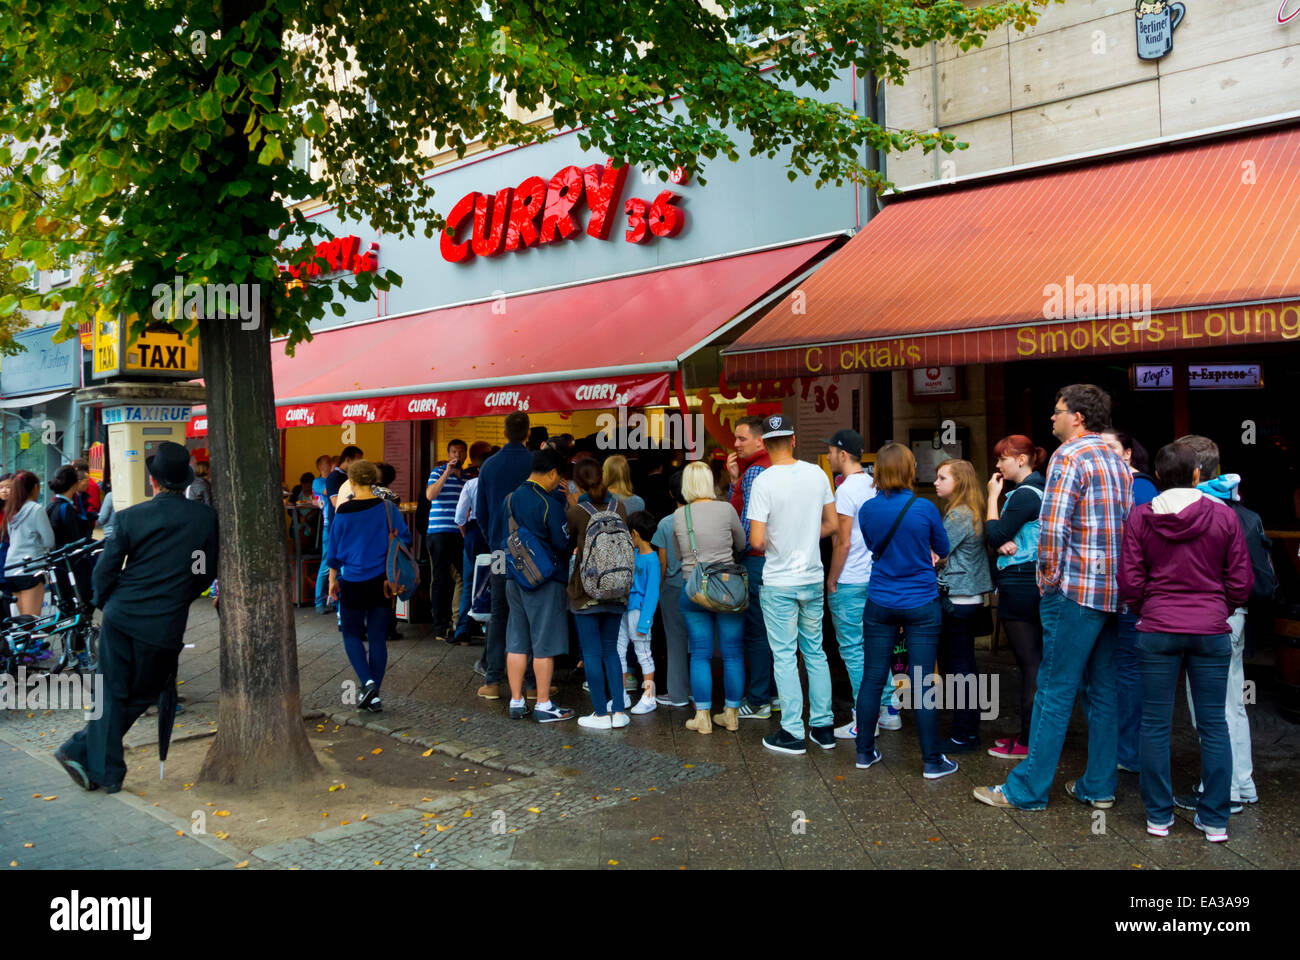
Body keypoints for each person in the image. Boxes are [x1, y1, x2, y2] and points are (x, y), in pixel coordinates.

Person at [974, 384, 1132, 811]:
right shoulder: (1116, 461)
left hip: (1074, 591)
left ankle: (1026, 790)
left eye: (1057, 411)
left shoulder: (1069, 457)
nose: (1052, 418)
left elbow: (1053, 529)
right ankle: (1099, 787)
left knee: (1053, 689)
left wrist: (1046, 582)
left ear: (1077, 417)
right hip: (1112, 593)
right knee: (1102, 691)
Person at [54, 442, 218, 793]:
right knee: (143, 693)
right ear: (185, 480)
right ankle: (96, 763)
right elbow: (203, 572)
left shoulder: (130, 518)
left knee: (111, 693)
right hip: (162, 624)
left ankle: (89, 756)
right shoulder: (204, 518)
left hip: (121, 615)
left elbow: (104, 571)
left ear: (153, 480)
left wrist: (105, 602)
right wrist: (179, 594)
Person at [1118, 441, 1252, 841]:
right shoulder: (1224, 516)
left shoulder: (1141, 517)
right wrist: (1216, 607)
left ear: (1158, 476)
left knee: (1155, 723)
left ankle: (1158, 816)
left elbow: (1130, 582)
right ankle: (1214, 820)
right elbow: (1242, 583)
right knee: (1214, 725)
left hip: (1157, 628)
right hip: (1210, 630)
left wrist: (1149, 607)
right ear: (1198, 475)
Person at [1176, 434, 1274, 813]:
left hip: (1213, 617)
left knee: (1209, 710)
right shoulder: (1240, 512)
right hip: (1235, 615)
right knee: (1232, 705)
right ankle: (1241, 783)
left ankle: (1223, 791)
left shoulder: (1202, 512)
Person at [854, 443, 954, 777]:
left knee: (872, 677)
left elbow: (872, 546)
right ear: (910, 471)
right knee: (922, 680)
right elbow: (943, 548)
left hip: (880, 600)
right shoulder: (924, 508)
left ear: (878, 472)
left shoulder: (867, 510)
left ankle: (865, 753)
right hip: (921, 603)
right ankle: (931, 761)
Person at [746, 415, 838, 755]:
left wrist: (781, 537)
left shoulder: (764, 481)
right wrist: (801, 537)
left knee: (784, 656)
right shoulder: (817, 473)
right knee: (815, 651)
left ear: (764, 445)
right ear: (794, 440)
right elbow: (831, 525)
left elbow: (756, 540)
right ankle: (824, 727)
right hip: (812, 576)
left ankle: (792, 731)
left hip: (779, 581)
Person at [326, 460, 411, 714]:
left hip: (351, 581)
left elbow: (334, 550)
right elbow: (404, 537)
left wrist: (332, 580)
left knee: (351, 634)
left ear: (351, 481)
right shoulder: (388, 508)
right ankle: (374, 695)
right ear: (373, 481)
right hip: (382, 582)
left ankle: (368, 683)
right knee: (377, 638)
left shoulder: (343, 511)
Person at [984, 435, 1048, 759]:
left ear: (1021, 460)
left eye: (1002, 459)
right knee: (1034, 664)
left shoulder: (1023, 495)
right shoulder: (1040, 490)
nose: (998, 466)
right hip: (1033, 585)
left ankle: (1028, 743)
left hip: (1021, 588)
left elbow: (994, 533)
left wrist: (992, 498)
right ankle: (1030, 738)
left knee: (1030, 666)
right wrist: (1002, 539)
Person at [672, 461, 747, 734]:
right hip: (727, 588)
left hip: (694, 590)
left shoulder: (681, 515)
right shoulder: (726, 509)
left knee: (700, 654)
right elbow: (741, 544)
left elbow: (680, 555)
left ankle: (702, 717)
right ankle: (731, 715)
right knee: (733, 654)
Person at [1100, 427, 1158, 774]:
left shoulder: (1141, 488)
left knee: (1128, 671)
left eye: (1110, 448)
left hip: (1130, 595)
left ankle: (1128, 752)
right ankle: (1122, 748)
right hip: (1115, 592)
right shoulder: (1119, 485)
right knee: (1119, 670)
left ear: (1126, 454)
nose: (1103, 454)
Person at [506, 448, 576, 723]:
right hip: (544, 579)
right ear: (553, 473)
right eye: (558, 477)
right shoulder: (549, 502)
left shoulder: (512, 497)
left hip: (515, 576)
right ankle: (543, 703)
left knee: (517, 641)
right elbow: (562, 541)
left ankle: (516, 700)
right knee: (544, 644)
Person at [822, 429, 884, 740]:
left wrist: (832, 578)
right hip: (875, 578)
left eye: (832, 452)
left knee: (852, 650)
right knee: (875, 648)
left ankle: (865, 717)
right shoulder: (876, 484)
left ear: (843, 454)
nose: (830, 456)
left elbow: (842, 543)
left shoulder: (845, 491)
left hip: (850, 580)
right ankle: (889, 710)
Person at [475, 413, 537, 700]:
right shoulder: (535, 462)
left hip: (500, 549)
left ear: (504, 431)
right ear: (527, 433)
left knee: (499, 614)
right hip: (533, 551)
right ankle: (534, 683)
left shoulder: (489, 465)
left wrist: (494, 541)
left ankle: (493, 680)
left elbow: (481, 512)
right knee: (531, 612)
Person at [933, 458, 993, 753]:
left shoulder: (958, 515)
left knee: (958, 668)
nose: (936, 482)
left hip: (956, 597)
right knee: (964, 665)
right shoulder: (972, 511)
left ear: (959, 482)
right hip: (969, 598)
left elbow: (937, 553)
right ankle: (967, 730)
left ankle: (963, 734)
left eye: (942, 478)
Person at [568, 457, 630, 729]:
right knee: (611, 651)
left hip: (587, 591)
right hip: (617, 588)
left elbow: (565, 543)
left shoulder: (577, 512)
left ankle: (600, 714)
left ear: (578, 482)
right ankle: (618, 710)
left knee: (592, 653)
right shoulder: (620, 506)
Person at [726, 415, 777, 719]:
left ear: (760, 440)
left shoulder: (756, 470)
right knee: (777, 632)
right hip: (781, 562)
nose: (735, 444)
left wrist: (734, 552)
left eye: (742, 439)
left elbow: (747, 531)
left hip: (757, 562)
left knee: (758, 633)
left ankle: (758, 700)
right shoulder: (775, 467)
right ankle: (775, 694)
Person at [650, 470, 691, 708]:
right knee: (698, 642)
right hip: (697, 584)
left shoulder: (666, 522)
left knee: (675, 642)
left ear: (670, 494)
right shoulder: (699, 517)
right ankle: (699, 689)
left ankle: (677, 693)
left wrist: (659, 588)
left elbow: (663, 563)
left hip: (673, 587)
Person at [426, 438, 468, 643]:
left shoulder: (468, 478)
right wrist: (446, 473)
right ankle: (440, 626)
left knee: (462, 577)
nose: (457, 456)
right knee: (440, 578)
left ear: (466, 455)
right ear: (448, 453)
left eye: (461, 452)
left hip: (459, 534)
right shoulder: (437, 472)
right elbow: (430, 495)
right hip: (439, 532)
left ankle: (458, 623)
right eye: (453, 452)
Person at [449, 443, 491, 644]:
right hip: (495, 534)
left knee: (468, 583)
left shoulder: (471, 484)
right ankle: (490, 627)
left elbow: (459, 517)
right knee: (493, 580)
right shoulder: (502, 484)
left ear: (478, 468)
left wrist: (466, 534)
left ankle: (463, 629)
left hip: (473, 533)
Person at [622, 511, 661, 714]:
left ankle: (649, 697)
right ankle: (622, 695)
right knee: (621, 651)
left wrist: (645, 622)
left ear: (635, 533)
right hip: (627, 609)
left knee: (643, 654)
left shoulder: (652, 561)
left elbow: (652, 594)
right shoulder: (637, 555)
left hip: (638, 611)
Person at [3, 471, 54, 617]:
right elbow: (49, 541)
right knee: (32, 621)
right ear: (35, 488)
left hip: (11, 569)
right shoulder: (36, 509)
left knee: (21, 621)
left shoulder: (11, 510)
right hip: (31, 567)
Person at [320, 446, 363, 614]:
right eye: (358, 459)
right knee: (337, 569)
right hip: (339, 529)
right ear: (348, 459)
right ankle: (340, 614)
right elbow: (336, 503)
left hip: (353, 531)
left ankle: (347, 612)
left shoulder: (352, 477)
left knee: (347, 571)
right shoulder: (335, 477)